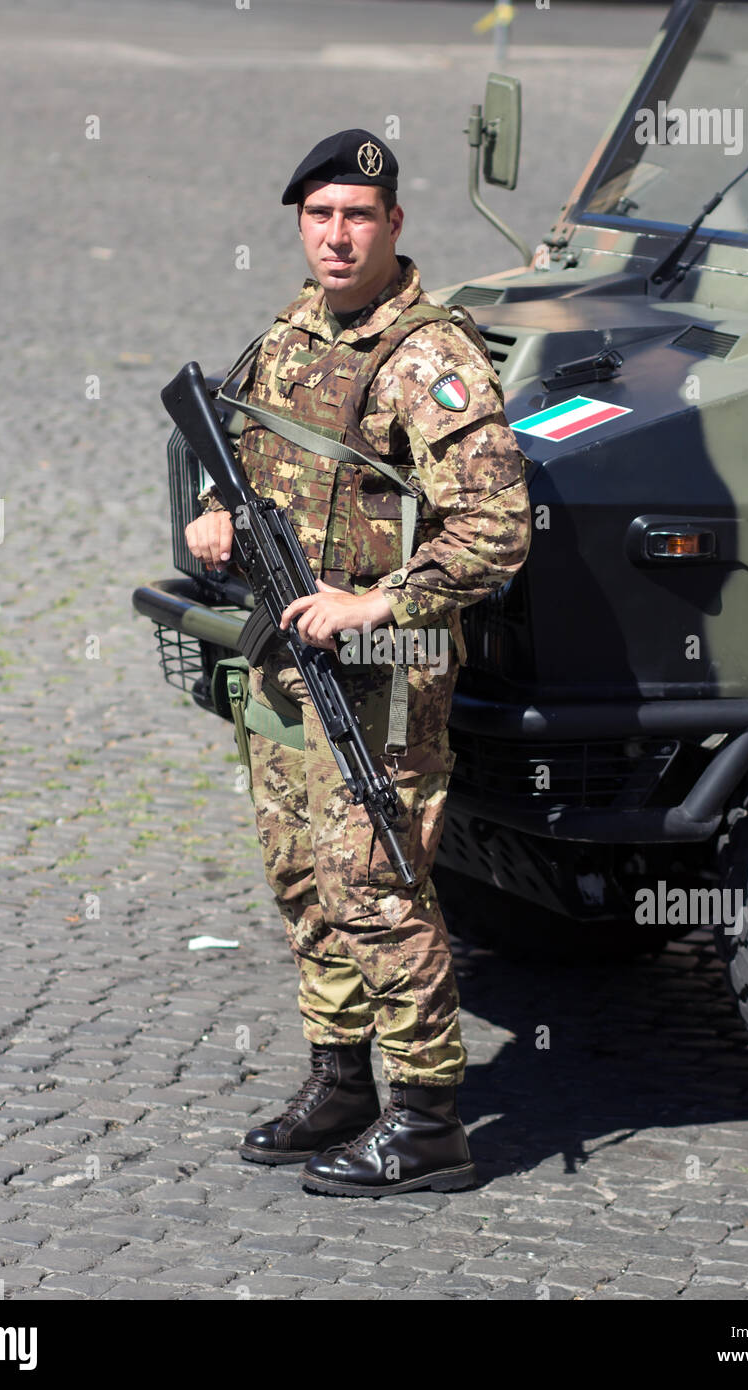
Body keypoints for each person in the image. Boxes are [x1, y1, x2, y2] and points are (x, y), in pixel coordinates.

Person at [185, 129, 531, 1197]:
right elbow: (241, 454)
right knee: (301, 873)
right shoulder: (291, 330)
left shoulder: (430, 358)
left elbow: (497, 527)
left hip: (383, 674)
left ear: (393, 225)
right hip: (287, 659)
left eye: (358, 217)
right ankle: (340, 1082)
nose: (337, 237)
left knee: (376, 882)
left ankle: (426, 1120)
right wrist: (214, 512)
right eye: (320, 215)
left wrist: (375, 602)